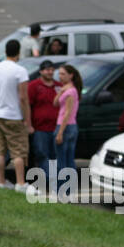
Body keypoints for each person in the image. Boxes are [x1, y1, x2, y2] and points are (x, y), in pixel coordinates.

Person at [0, 38, 32, 191]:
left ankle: (1, 181)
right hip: (13, 115)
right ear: (18, 53)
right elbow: (23, 97)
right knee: (18, 151)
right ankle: (20, 183)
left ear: (5, 51)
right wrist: (28, 121)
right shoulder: (20, 71)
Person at [27, 60, 60, 181]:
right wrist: (29, 124)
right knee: (42, 153)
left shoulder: (58, 86)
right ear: (41, 71)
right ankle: (51, 179)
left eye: (52, 69)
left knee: (54, 155)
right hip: (39, 128)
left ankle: (54, 179)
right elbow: (28, 106)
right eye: (47, 70)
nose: (50, 72)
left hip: (56, 127)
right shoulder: (34, 86)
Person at [53, 64, 83, 198]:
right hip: (70, 127)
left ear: (71, 75)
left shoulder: (71, 92)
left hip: (65, 126)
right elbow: (55, 103)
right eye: (59, 74)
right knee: (69, 159)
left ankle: (63, 190)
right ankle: (68, 190)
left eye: (63, 74)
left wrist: (60, 132)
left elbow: (67, 113)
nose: (60, 76)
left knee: (63, 161)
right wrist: (60, 91)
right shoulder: (67, 90)